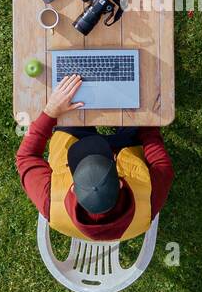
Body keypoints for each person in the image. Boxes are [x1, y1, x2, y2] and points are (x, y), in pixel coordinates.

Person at [16, 74, 173, 241]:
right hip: (123, 149)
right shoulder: (148, 201)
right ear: (120, 182)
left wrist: (51, 113)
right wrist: (146, 122)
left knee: (69, 105)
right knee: (134, 104)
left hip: (72, 141)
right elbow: (161, 165)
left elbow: (26, 156)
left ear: (73, 189)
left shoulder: (50, 202)